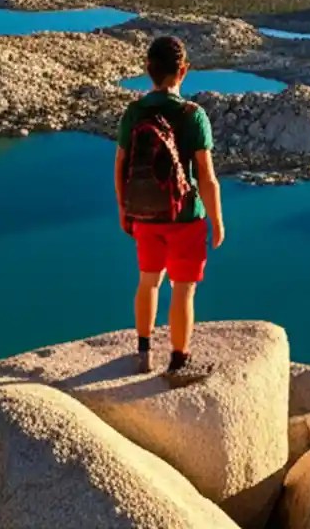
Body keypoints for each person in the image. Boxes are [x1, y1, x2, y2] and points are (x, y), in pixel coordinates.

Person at [115, 36, 225, 374]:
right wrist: (217, 220)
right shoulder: (193, 115)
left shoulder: (134, 112)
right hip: (186, 219)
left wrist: (125, 211)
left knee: (148, 281)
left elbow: (120, 165)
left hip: (145, 216)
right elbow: (205, 177)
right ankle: (179, 360)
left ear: (149, 69)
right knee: (183, 289)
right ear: (184, 71)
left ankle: (144, 352)